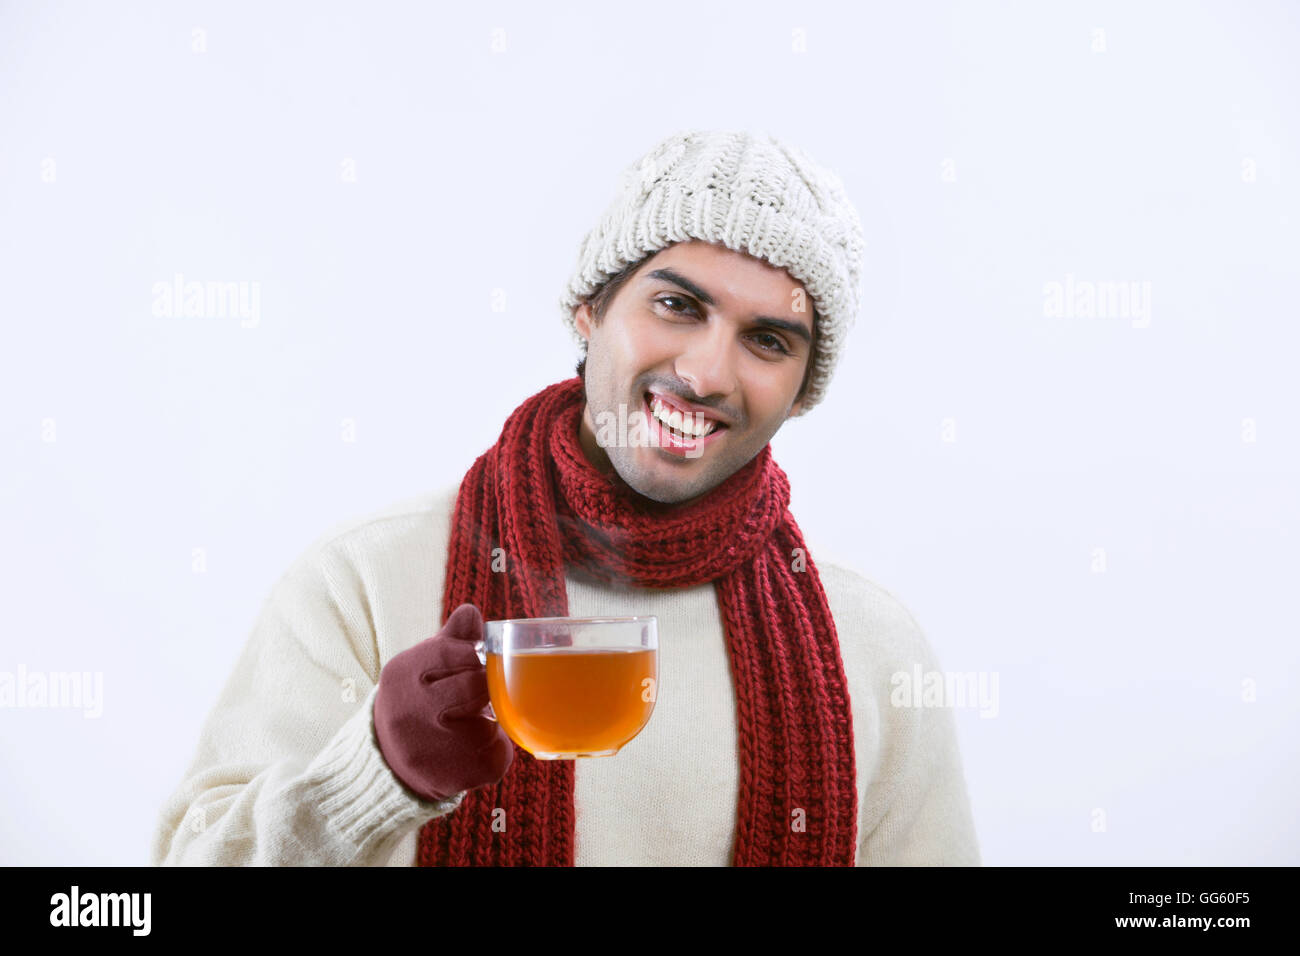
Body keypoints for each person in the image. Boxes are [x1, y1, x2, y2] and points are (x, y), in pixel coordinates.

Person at [150, 128, 981, 866]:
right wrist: (374, 772)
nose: (706, 374)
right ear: (589, 309)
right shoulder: (367, 580)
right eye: (676, 305)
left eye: (768, 340)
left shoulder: (870, 645)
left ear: (803, 391)